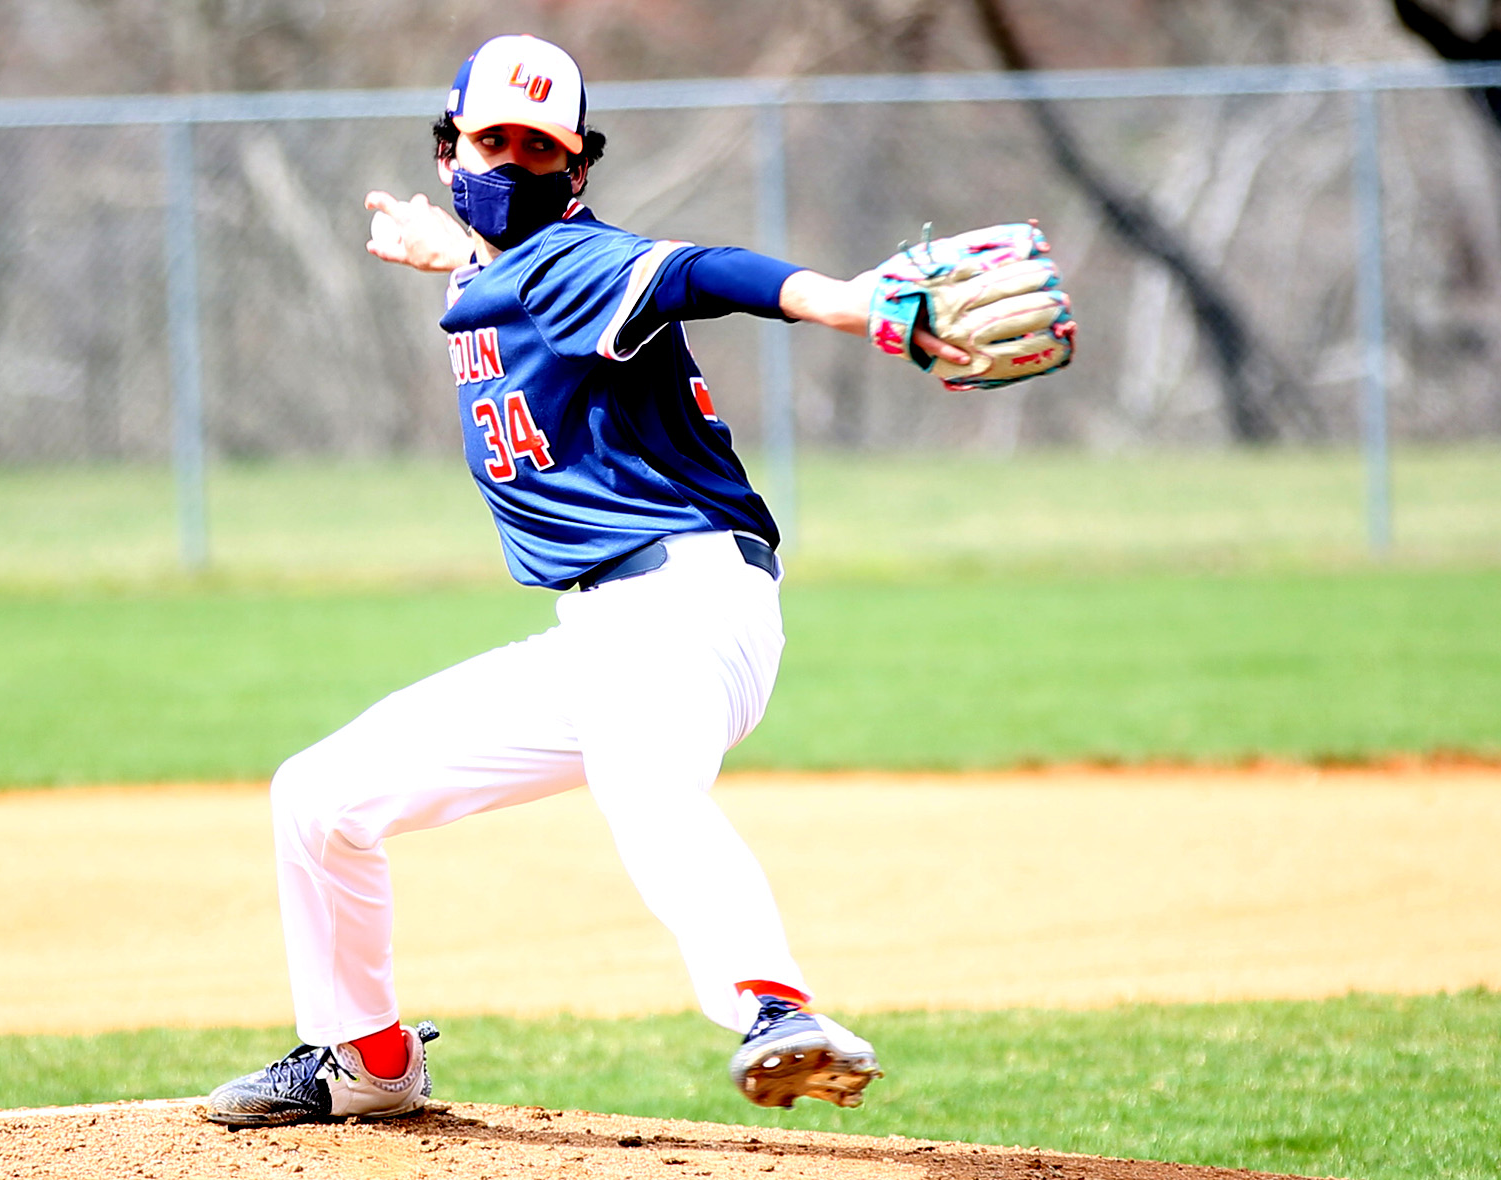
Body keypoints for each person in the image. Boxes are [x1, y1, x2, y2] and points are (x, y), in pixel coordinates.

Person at [205, 33, 979, 1128]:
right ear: (447, 151)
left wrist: (843, 302)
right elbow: (500, 278)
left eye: (539, 148)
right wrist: (454, 256)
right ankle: (367, 1057)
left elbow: (699, 270)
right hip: (605, 635)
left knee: (642, 783)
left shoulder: (575, 260)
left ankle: (774, 1007)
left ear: (577, 169)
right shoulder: (505, 271)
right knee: (319, 799)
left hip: (687, 604)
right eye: (492, 141)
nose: (512, 164)